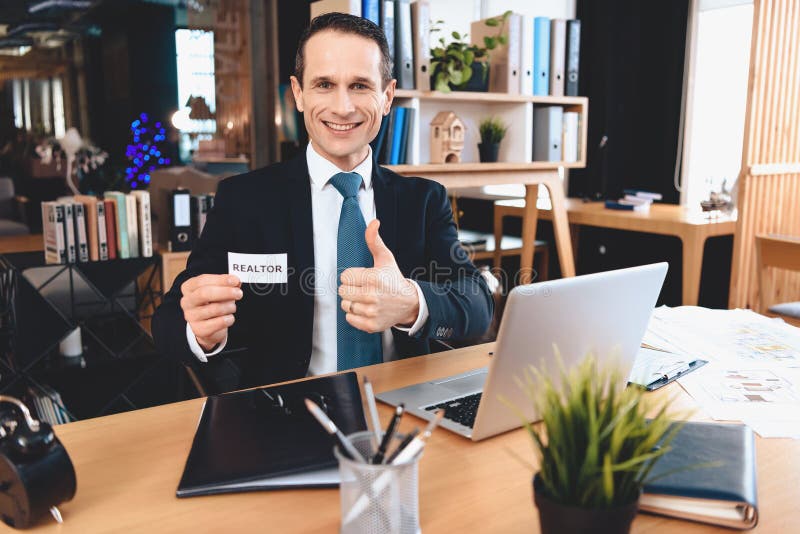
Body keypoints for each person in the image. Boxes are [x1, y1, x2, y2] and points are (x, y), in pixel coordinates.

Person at [152, 13, 493, 391]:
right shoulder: (244, 200)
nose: (342, 107)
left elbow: (478, 306)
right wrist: (199, 333)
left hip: (403, 403)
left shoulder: (424, 200)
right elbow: (169, 322)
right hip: (288, 410)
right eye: (324, 84)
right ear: (299, 93)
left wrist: (411, 302)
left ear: (387, 97)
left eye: (360, 85)